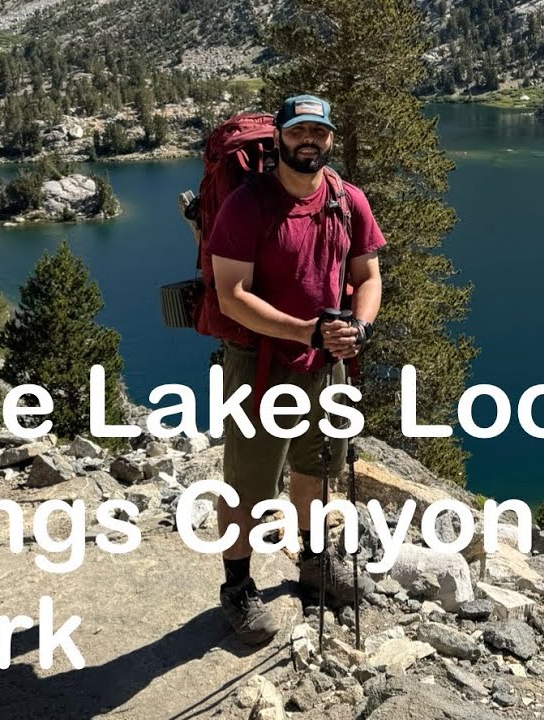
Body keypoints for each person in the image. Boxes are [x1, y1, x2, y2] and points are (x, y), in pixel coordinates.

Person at [207, 94, 385, 645]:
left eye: (319, 131)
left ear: (330, 138)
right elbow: (231, 295)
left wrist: (357, 326)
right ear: (280, 137)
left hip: (325, 362)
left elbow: (369, 277)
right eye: (298, 130)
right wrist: (304, 330)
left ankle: (312, 560)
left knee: (315, 468)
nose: (309, 140)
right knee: (249, 486)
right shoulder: (247, 205)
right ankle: (237, 587)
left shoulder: (347, 201)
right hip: (261, 367)